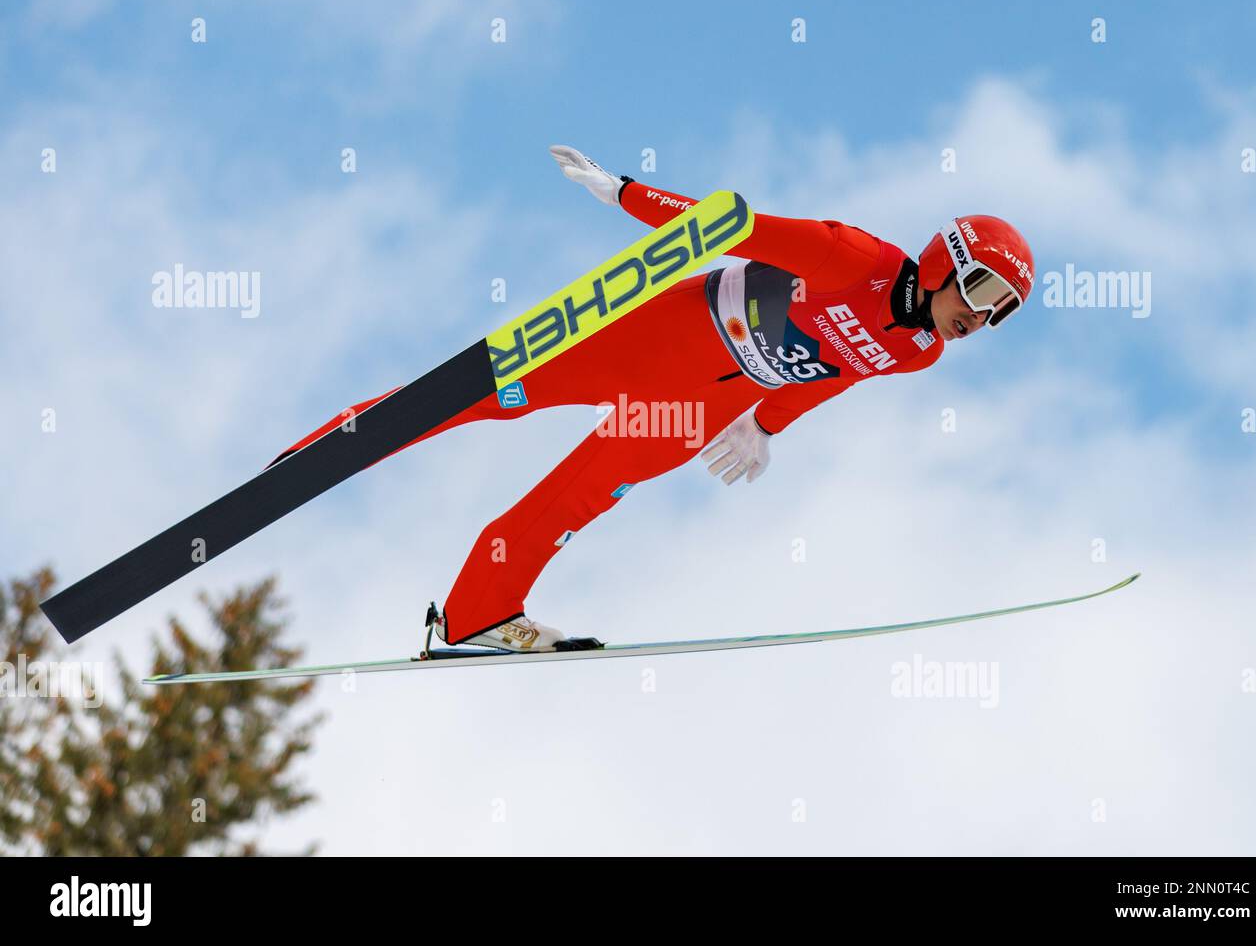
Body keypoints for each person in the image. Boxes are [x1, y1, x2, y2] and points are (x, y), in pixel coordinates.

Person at [278, 147, 1035, 652]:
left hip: (707, 403)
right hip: (667, 336)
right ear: (947, 262)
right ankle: (326, 448)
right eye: (983, 292)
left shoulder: (918, 351)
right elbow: (730, 226)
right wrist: (626, 193)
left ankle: (479, 611)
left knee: (579, 497)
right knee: (494, 391)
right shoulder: (852, 258)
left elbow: (836, 374)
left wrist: (764, 424)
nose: (983, 317)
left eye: (1003, 312)